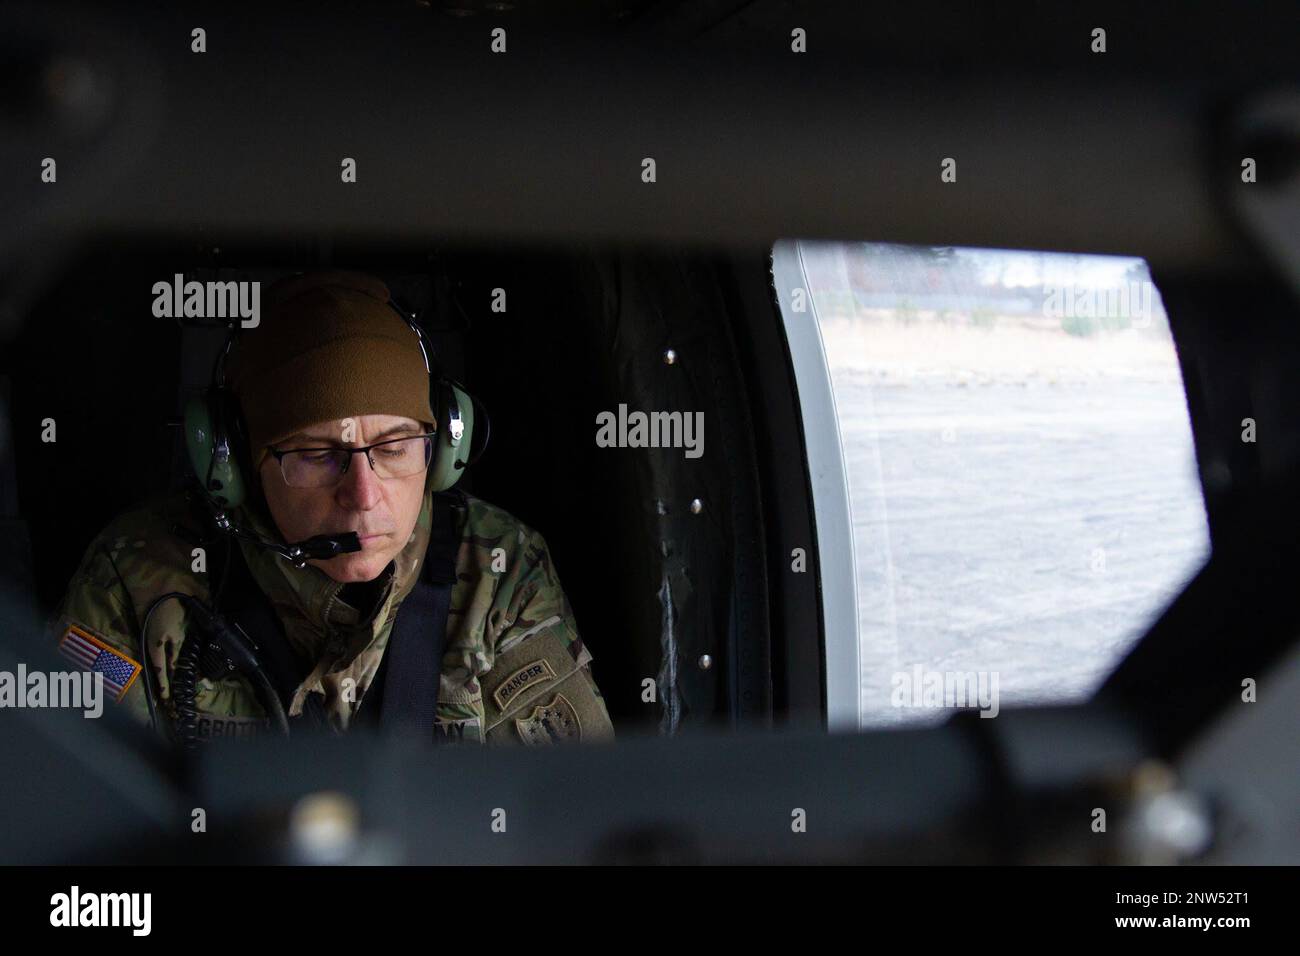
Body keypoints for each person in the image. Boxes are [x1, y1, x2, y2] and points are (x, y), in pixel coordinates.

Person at [49, 270, 614, 746]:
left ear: (443, 451)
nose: (364, 496)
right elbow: (73, 817)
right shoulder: (135, 579)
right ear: (238, 465)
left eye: (394, 448)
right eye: (318, 456)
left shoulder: (500, 571)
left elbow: (574, 814)